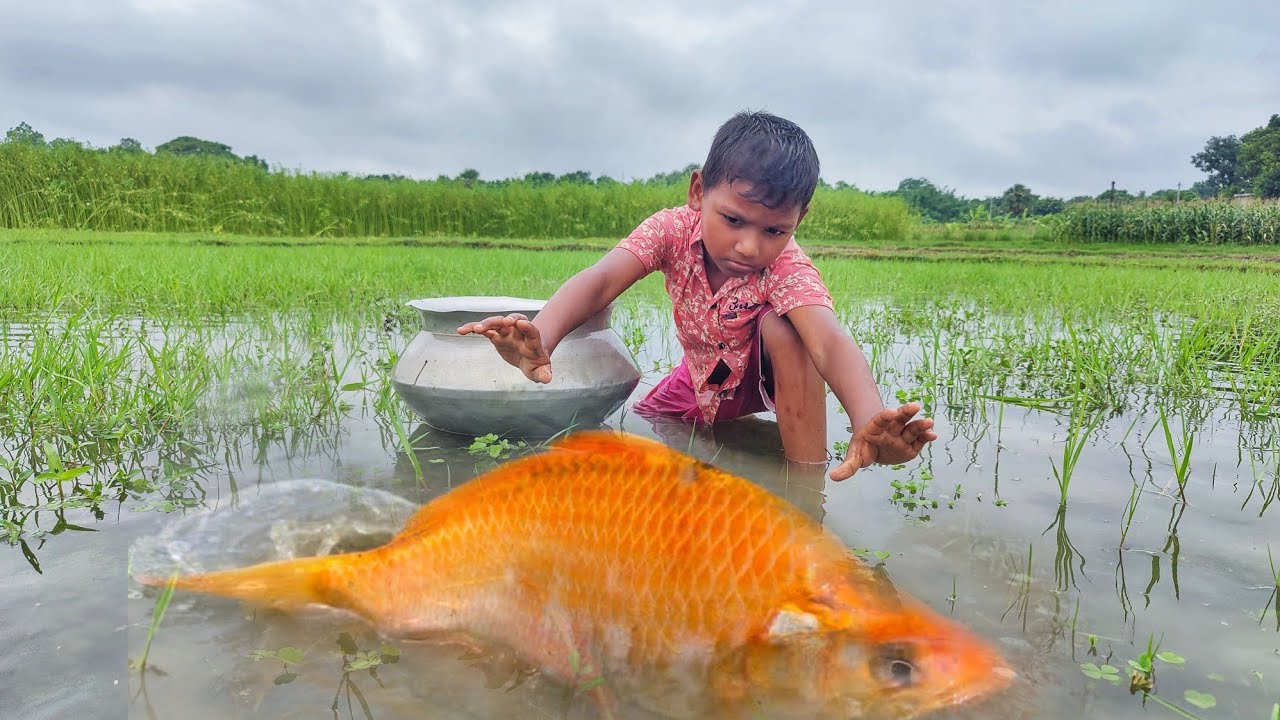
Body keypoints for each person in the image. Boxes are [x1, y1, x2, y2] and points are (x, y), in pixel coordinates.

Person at [458, 110, 936, 481]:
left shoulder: (786, 266)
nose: (750, 246)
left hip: (758, 378)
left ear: (798, 221)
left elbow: (828, 341)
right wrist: (543, 333)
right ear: (698, 190)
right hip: (700, 380)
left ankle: (806, 487)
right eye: (732, 220)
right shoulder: (670, 229)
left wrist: (868, 416)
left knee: (786, 327)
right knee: (647, 425)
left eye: (774, 229)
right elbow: (602, 281)